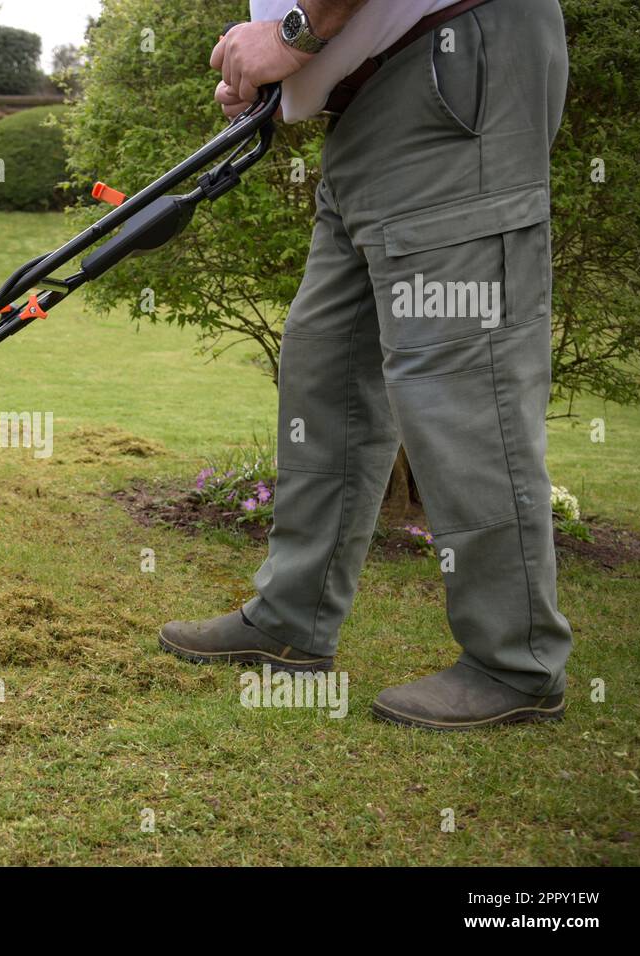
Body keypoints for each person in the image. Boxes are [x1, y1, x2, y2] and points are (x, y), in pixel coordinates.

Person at [159, 0, 573, 730]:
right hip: (370, 107)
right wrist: (282, 72)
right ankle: (291, 616)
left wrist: (295, 33)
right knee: (325, 371)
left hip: (453, 64)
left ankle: (515, 661)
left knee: (458, 373)